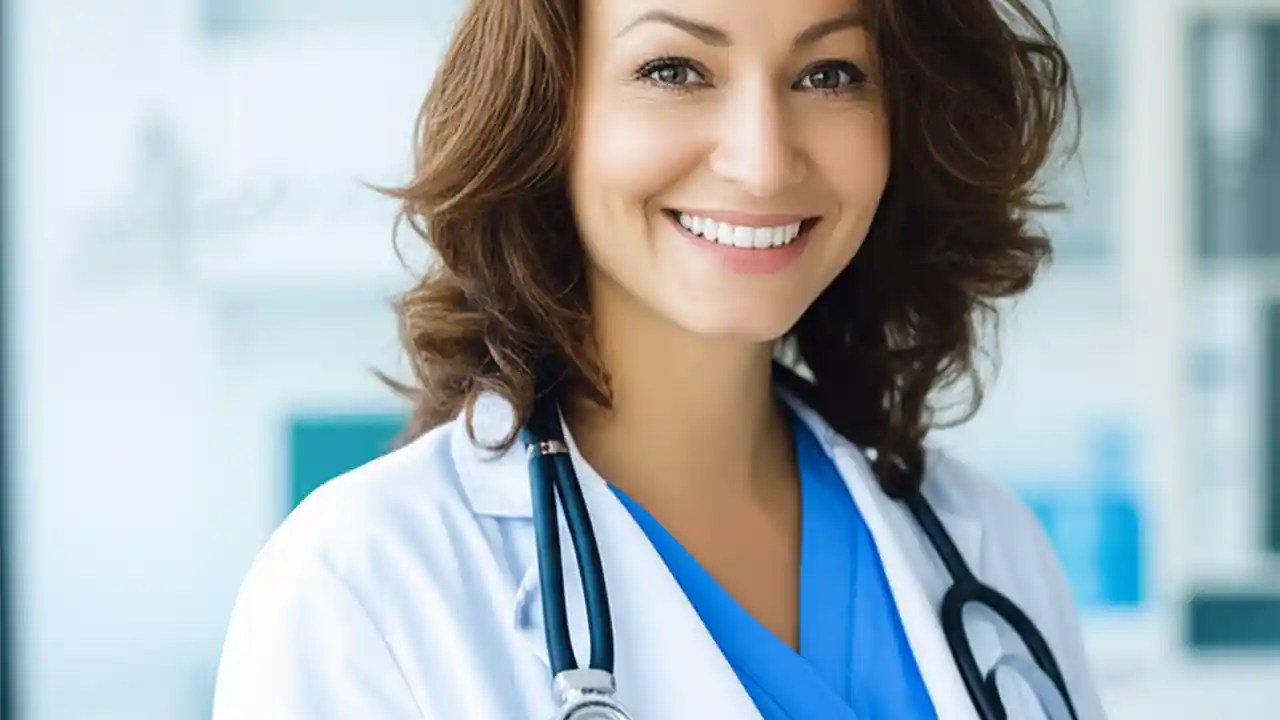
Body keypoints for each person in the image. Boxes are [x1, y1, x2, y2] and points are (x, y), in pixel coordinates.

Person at [212, 0, 1107, 717]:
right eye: (673, 70)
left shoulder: (991, 552)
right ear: (547, 111)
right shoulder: (364, 588)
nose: (761, 162)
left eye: (829, 73)